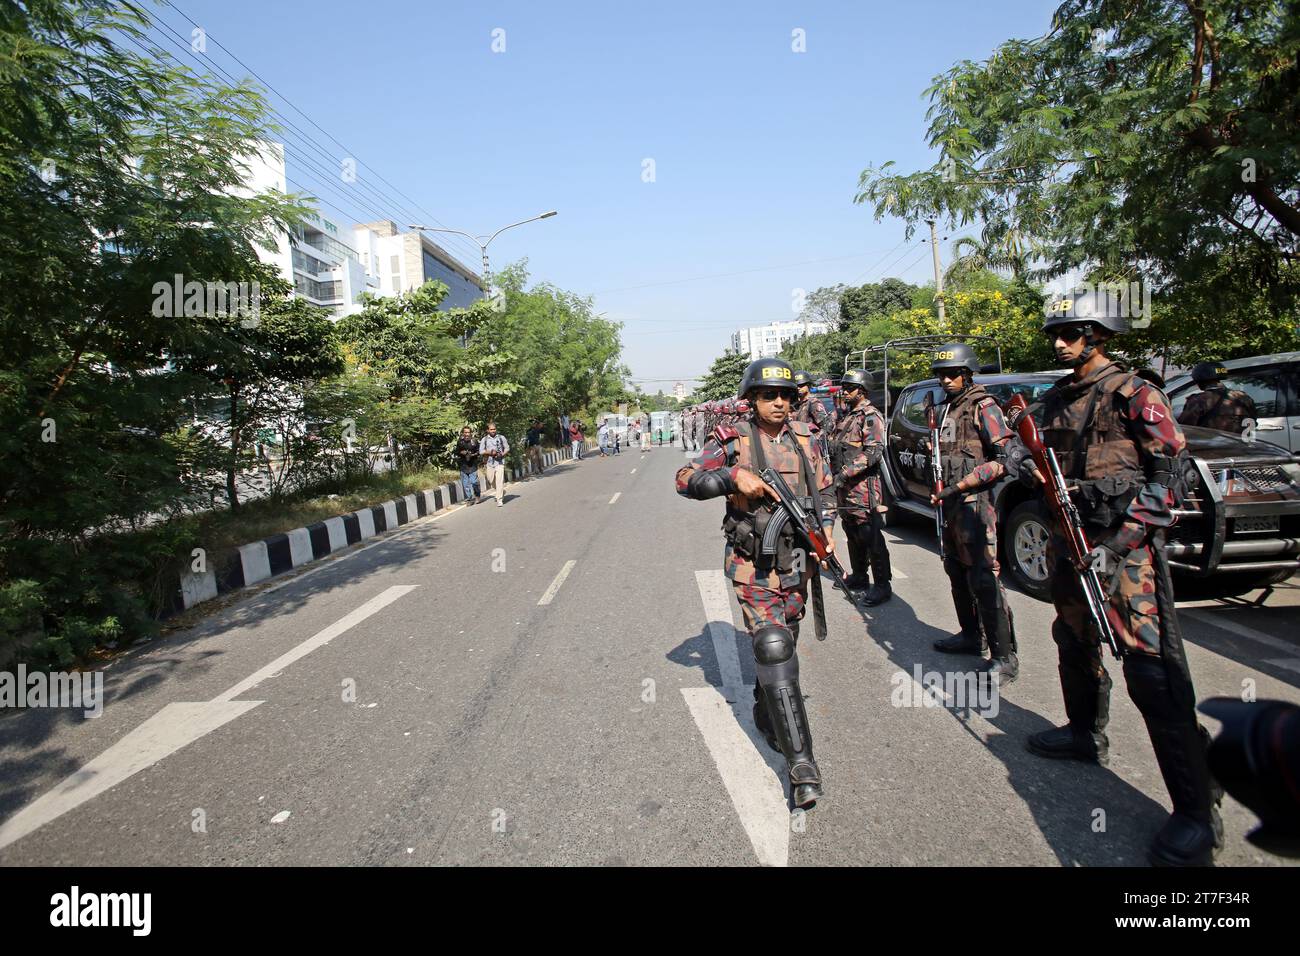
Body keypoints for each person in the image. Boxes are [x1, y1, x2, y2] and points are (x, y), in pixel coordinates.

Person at [1007, 289, 1221, 866]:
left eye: (1070, 333)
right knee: (1072, 640)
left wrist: (1127, 539)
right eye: (1056, 333)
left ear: (1098, 335)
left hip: (1123, 550)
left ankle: (1197, 809)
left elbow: (1170, 473)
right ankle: (1084, 733)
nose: (1058, 342)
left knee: (1151, 672)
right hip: (1071, 543)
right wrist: (1016, 460)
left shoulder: (1134, 393)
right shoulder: (1055, 399)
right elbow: (1032, 456)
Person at [675, 357, 837, 808]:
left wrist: (827, 535)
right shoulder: (731, 439)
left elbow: (824, 493)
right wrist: (730, 477)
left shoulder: (808, 439)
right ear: (751, 400)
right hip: (754, 565)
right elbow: (684, 478)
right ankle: (801, 764)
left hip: (798, 562)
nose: (780, 403)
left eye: (786, 395)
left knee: (789, 635)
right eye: (770, 396)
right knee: (773, 645)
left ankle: (767, 711)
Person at [927, 344, 1019, 684]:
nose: (946, 379)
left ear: (967, 373)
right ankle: (971, 635)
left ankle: (1004, 657)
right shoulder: (945, 408)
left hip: (975, 504)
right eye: (941, 374)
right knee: (955, 570)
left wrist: (963, 483)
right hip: (949, 503)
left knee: (983, 576)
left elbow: (1006, 458)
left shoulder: (983, 405)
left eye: (953, 373)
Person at [827, 369, 892, 606]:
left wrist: (845, 474)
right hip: (845, 487)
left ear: (862, 390)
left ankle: (883, 585)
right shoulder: (847, 416)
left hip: (863, 486)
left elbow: (873, 452)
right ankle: (859, 576)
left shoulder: (870, 416)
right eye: (843, 387)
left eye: (850, 388)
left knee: (870, 535)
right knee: (852, 532)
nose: (844, 392)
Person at [1176, 361, 1257, 435]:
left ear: (1199, 381)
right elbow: (1252, 423)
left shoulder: (1199, 401)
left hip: (1213, 449)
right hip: (1242, 448)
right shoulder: (1243, 397)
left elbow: (1184, 428)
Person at [479, 421, 510, 507]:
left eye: (494, 429)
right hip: (489, 463)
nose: (493, 431)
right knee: (490, 480)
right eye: (491, 429)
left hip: (499, 462)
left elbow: (507, 448)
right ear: (488, 430)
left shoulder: (501, 437)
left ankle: (499, 499)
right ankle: (501, 491)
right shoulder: (484, 440)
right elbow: (481, 451)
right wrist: (490, 452)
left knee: (499, 481)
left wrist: (502, 454)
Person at [455, 426, 481, 504]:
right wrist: (461, 452)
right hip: (463, 465)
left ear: (471, 433)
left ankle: (477, 496)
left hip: (473, 465)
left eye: (468, 432)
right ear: (463, 433)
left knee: (474, 482)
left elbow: (479, 452)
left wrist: (472, 455)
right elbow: (456, 452)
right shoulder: (460, 442)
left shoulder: (474, 441)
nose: (467, 434)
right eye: (465, 432)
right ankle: (469, 499)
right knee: (465, 484)